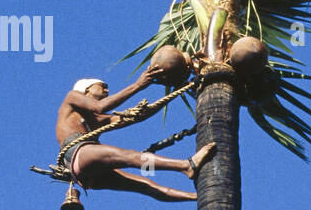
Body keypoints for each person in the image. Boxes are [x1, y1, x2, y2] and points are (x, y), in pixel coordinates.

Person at [55, 69, 215, 201]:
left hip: (86, 173)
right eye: (102, 86)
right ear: (87, 89)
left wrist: (175, 93)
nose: (107, 90)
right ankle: (185, 166)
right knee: (131, 157)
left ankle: (197, 197)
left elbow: (137, 117)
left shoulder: (95, 120)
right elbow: (100, 107)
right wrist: (139, 85)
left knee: (144, 184)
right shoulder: (73, 97)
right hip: (79, 153)